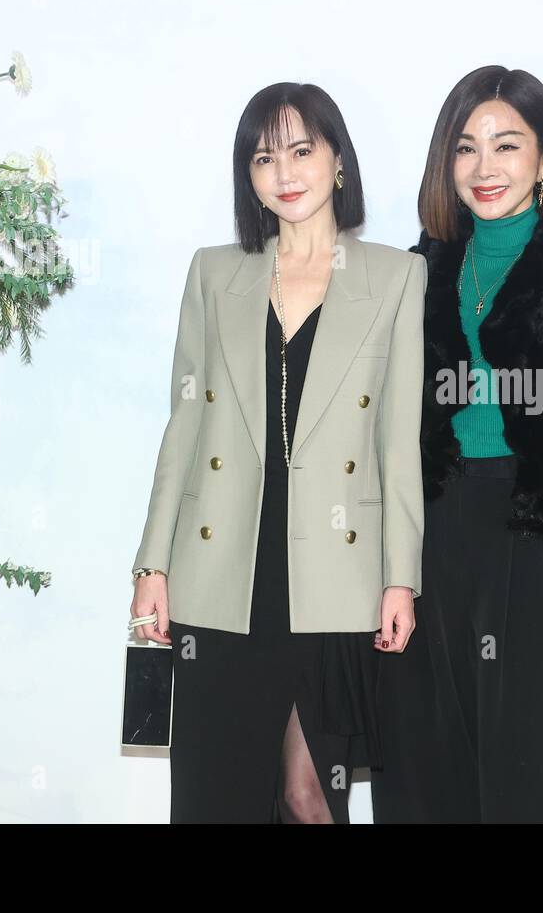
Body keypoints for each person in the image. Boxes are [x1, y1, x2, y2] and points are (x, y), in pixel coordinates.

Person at [129, 82, 426, 823]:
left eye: (302, 150)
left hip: (333, 578)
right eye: (264, 158)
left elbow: (398, 442)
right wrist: (152, 565)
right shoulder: (213, 271)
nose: (285, 172)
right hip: (220, 572)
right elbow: (183, 426)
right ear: (248, 175)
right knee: (211, 797)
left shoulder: (396, 277)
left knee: (308, 798)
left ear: (338, 162)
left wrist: (401, 578)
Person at [370, 65, 543, 823]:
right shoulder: (411, 275)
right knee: (424, 760)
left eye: (507, 145)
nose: (485, 168)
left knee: (528, 767)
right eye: (466, 148)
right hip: (427, 535)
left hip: (536, 535)